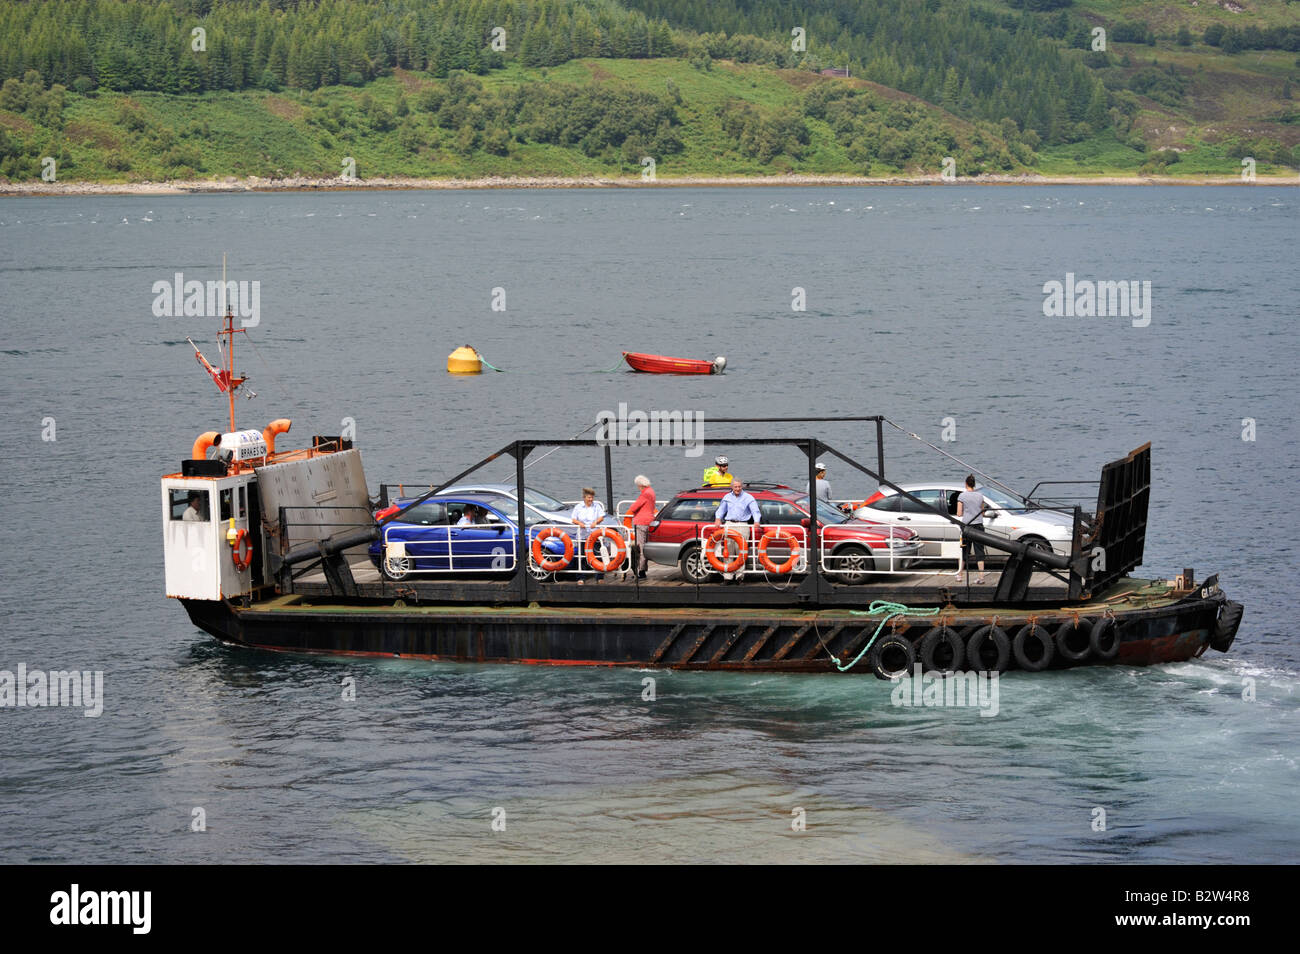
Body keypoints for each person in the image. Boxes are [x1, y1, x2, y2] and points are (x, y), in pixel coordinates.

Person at [713, 479, 761, 582]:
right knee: (728, 551)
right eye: (735, 487)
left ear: (742, 487)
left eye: (739, 487)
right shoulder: (727, 497)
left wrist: (756, 521)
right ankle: (728, 577)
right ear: (732, 487)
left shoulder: (748, 497)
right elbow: (721, 509)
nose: (737, 489)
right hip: (729, 524)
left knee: (741, 552)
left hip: (742, 525)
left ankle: (739, 576)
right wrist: (718, 518)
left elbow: (755, 510)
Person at [955, 474, 987, 584]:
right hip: (978, 525)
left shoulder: (962, 496)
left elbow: (959, 514)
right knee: (979, 552)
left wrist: (965, 512)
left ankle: (959, 575)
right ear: (974, 484)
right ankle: (981, 577)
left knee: (964, 551)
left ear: (966, 484)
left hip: (967, 526)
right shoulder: (980, 496)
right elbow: (982, 512)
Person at [571, 487, 607, 581]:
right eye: (589, 497)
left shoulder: (596, 506)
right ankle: (580, 578)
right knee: (581, 556)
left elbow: (601, 517)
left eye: (592, 497)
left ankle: (599, 577)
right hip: (583, 535)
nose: (591, 499)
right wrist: (580, 523)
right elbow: (574, 519)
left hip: (595, 535)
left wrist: (596, 522)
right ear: (584, 497)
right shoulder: (578, 507)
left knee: (597, 555)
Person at [625, 475, 656, 580]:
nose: (638, 488)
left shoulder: (644, 494)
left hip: (641, 523)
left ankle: (641, 571)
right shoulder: (651, 491)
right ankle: (643, 570)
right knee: (645, 547)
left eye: (638, 486)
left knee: (640, 548)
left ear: (641, 485)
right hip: (649, 521)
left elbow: (634, 507)